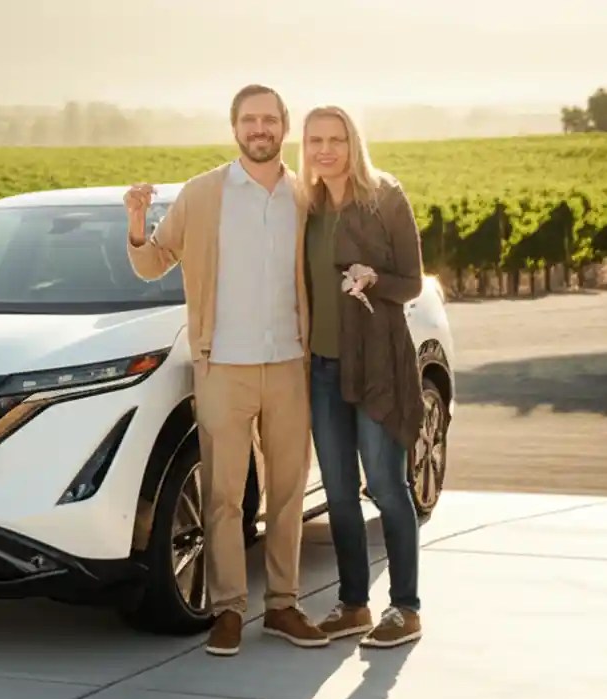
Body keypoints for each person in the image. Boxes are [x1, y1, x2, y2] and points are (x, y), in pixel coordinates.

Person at [123, 84, 326, 656]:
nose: (259, 128)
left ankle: (283, 605)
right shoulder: (203, 193)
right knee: (223, 496)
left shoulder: (305, 198)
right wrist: (138, 221)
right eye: (248, 119)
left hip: (291, 365)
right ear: (234, 127)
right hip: (223, 367)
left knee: (287, 493)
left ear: (283, 125)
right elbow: (152, 262)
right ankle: (229, 610)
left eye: (268, 119)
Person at [298, 104, 426, 649]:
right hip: (322, 370)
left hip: (375, 365)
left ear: (354, 143)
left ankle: (406, 609)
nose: (326, 149)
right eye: (315, 140)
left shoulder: (385, 197)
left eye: (336, 139)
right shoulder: (306, 206)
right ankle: (354, 606)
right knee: (341, 494)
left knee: (388, 488)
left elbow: (413, 282)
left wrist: (375, 279)